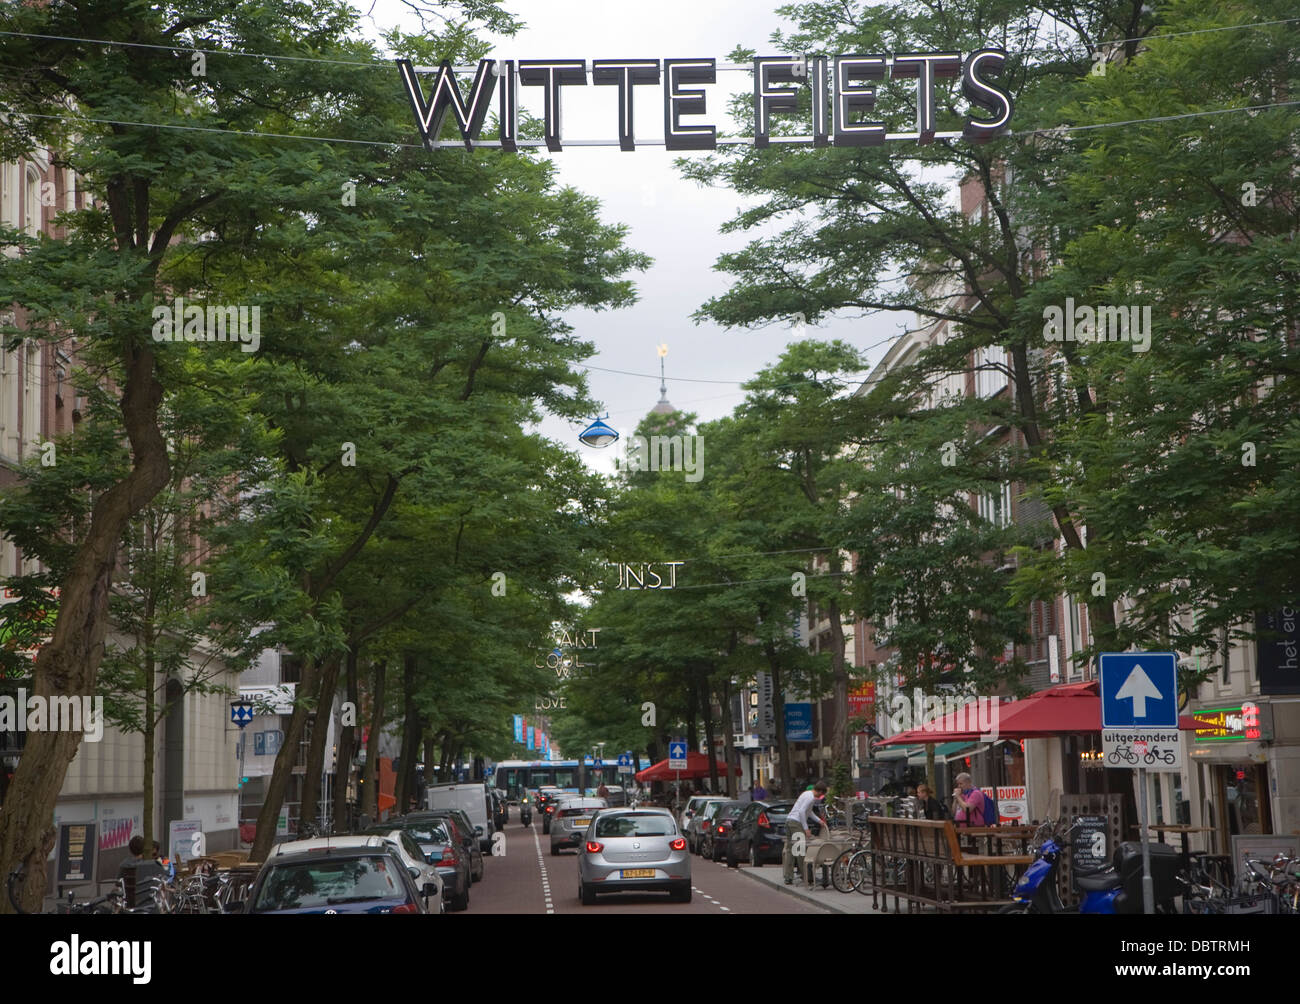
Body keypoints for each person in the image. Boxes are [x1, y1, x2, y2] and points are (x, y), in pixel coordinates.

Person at [783, 780, 828, 885]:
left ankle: (788, 877)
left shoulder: (806, 794)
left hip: (789, 820)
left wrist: (819, 820)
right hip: (796, 823)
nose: (820, 797)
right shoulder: (811, 797)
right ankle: (806, 876)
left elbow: (809, 812)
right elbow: (802, 811)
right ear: (820, 791)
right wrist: (806, 828)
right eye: (821, 794)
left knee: (791, 850)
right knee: (800, 850)